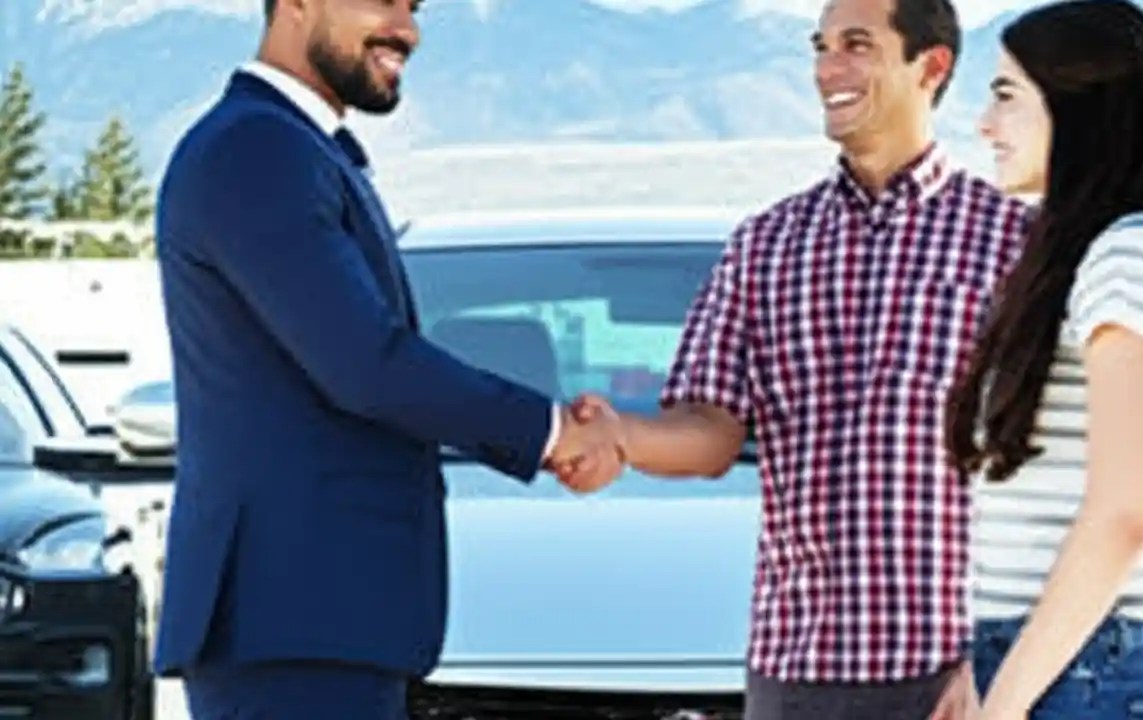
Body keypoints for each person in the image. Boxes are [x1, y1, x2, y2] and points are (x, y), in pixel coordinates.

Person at [150, 0, 620, 717]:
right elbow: (365, 365)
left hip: (318, 618)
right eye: (383, 2)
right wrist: (552, 432)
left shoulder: (295, 149)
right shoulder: (257, 151)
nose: (407, 29)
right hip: (296, 618)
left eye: (414, 7)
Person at [563, 0, 1031, 716]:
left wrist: (1004, 666)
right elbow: (711, 427)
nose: (826, 70)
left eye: (856, 45)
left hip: (960, 672)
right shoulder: (766, 244)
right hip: (799, 667)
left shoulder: (1013, 243)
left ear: (930, 66)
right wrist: (621, 436)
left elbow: (1060, 465)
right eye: (819, 47)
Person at [944, 1, 1143, 718]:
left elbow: (1123, 513)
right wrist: (980, 680)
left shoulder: (1136, 254)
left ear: (1079, 107)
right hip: (1048, 664)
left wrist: (1003, 705)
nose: (984, 123)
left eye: (1006, 95)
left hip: (1095, 675)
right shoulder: (1078, 253)